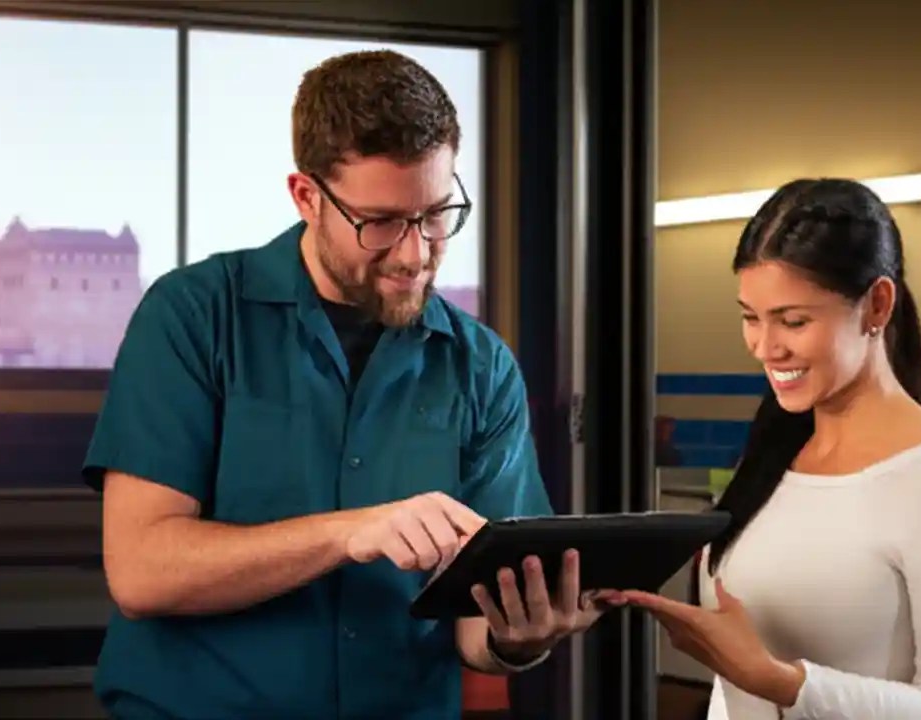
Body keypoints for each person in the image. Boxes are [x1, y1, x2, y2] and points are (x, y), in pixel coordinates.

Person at [81, 49, 604, 719]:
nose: (416, 253)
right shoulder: (191, 316)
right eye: (381, 222)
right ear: (307, 197)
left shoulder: (482, 367)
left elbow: (478, 629)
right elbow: (142, 570)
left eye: (437, 214)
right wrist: (350, 533)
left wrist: (519, 638)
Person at [617, 179, 921, 719]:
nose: (765, 347)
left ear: (876, 304)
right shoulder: (770, 459)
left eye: (793, 321)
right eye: (750, 317)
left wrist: (784, 682)